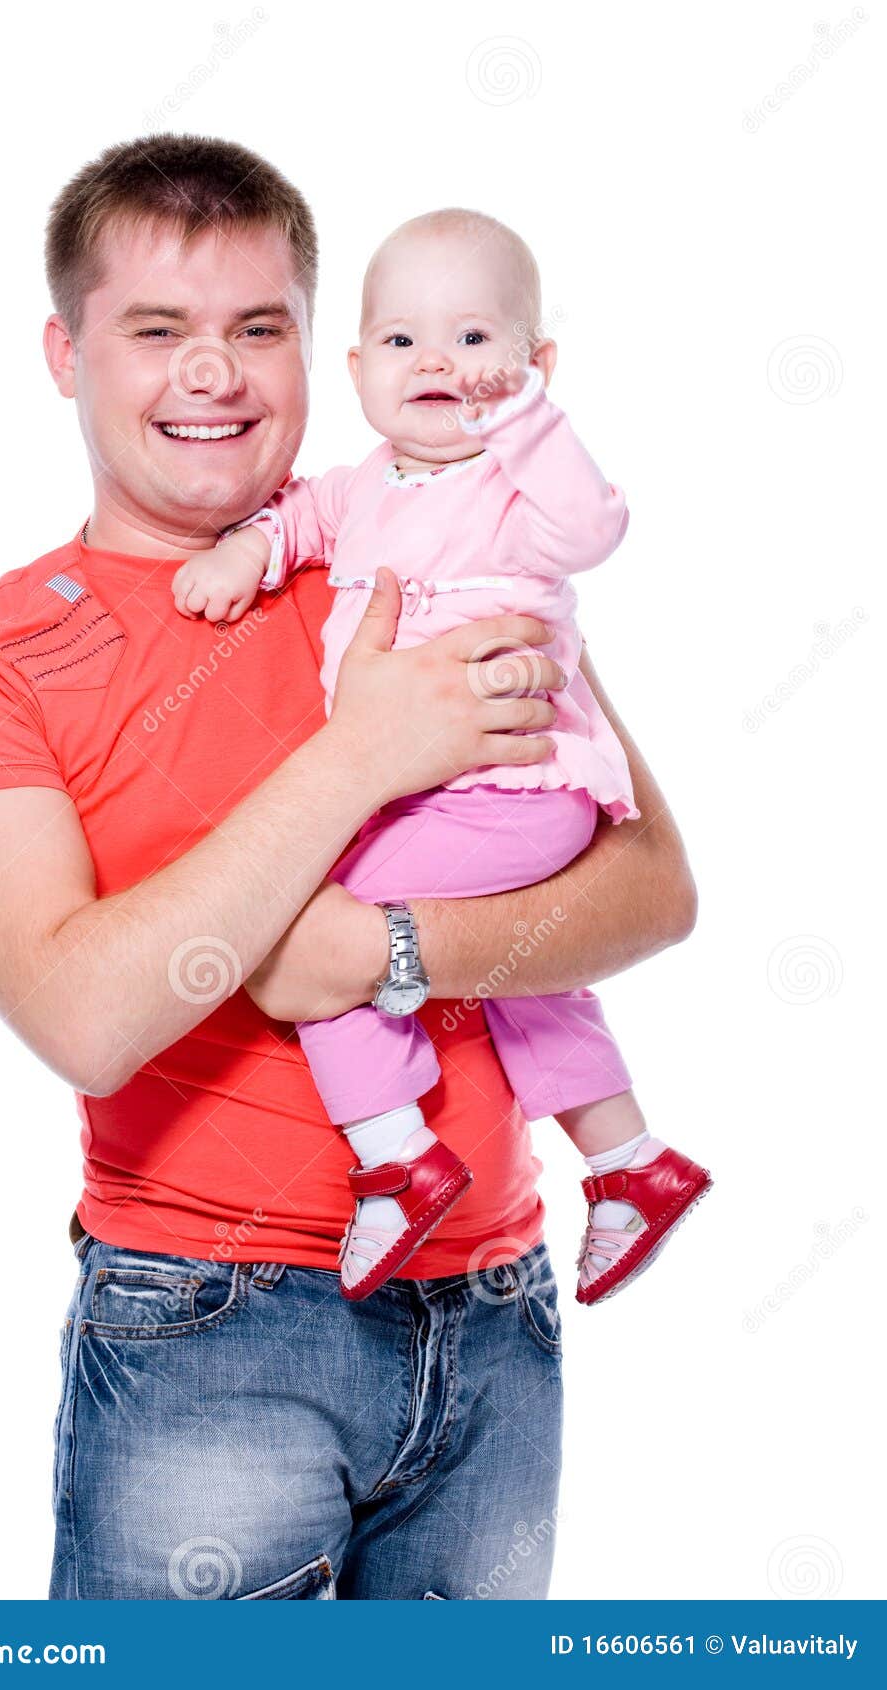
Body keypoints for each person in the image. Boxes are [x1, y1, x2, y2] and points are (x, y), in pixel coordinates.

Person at [0, 134, 697, 1601]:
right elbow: (85, 1012)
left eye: (259, 329)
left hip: (495, 1313)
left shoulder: (433, 536)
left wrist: (379, 955)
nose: (217, 374)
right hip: (209, 1330)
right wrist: (361, 752)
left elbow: (648, 886)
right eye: (158, 330)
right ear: (65, 354)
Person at [177, 207, 711, 1302]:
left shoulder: (516, 488)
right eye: (407, 341)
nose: (440, 364)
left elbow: (595, 528)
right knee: (520, 974)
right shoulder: (365, 482)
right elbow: (300, 522)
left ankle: (395, 1156)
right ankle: (629, 1160)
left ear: (533, 368)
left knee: (325, 932)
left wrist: (526, 425)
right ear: (361, 365)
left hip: (512, 785)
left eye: (475, 341)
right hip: (449, 798)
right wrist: (246, 550)